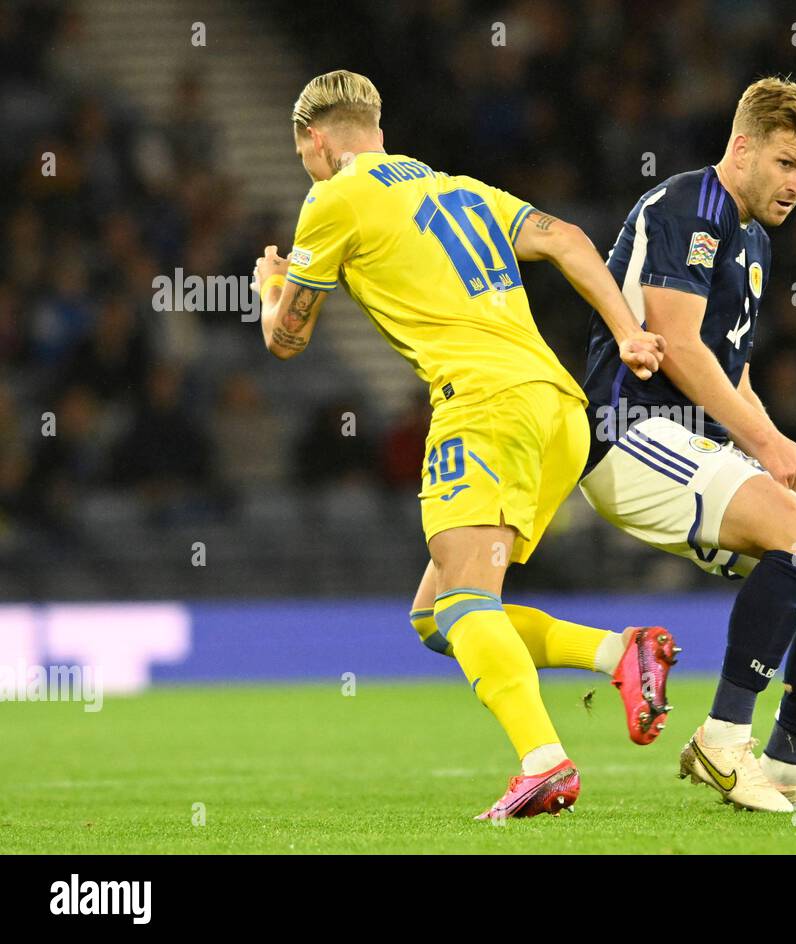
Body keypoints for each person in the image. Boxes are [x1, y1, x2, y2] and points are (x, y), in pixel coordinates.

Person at [253, 70, 674, 820]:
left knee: (468, 600)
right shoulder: (463, 189)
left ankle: (545, 763)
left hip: (484, 407)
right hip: (559, 410)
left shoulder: (334, 194)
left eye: (303, 156)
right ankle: (620, 654)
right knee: (435, 616)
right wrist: (628, 331)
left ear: (316, 141)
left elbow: (288, 337)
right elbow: (571, 240)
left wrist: (269, 287)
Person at [580, 77, 796, 812]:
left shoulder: (752, 243)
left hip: (698, 447)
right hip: (629, 433)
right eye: (786, 163)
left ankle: (785, 761)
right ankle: (720, 741)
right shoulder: (689, 205)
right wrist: (772, 452)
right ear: (742, 148)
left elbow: (732, 379)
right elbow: (678, 349)